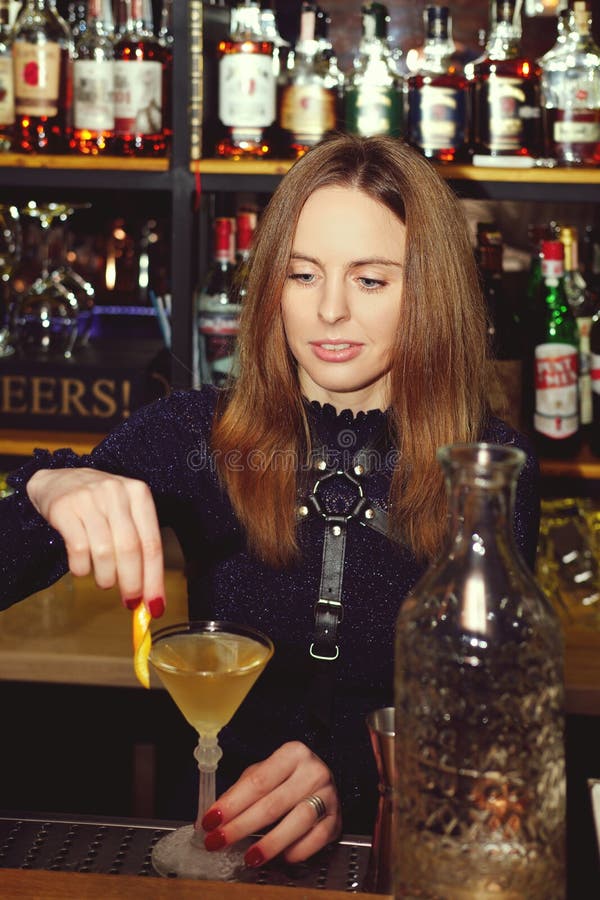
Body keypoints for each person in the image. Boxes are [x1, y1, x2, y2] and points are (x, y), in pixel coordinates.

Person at [0, 134, 539, 870]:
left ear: (429, 290)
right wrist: (47, 488)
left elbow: (490, 731)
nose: (330, 311)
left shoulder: (488, 472)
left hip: (396, 859)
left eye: (371, 280)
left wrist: (355, 781)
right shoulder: (195, 433)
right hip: (209, 858)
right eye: (303, 274)